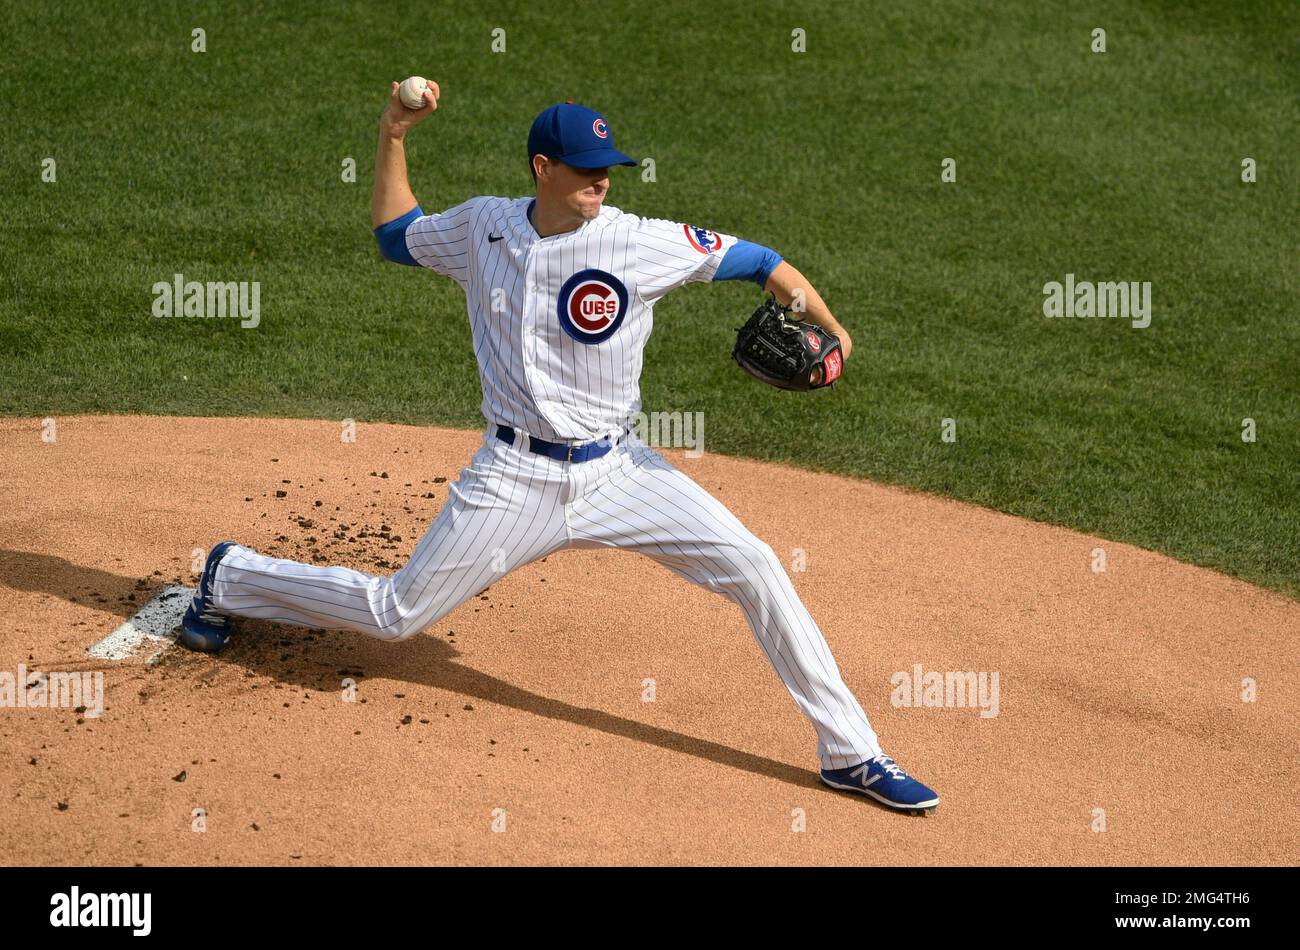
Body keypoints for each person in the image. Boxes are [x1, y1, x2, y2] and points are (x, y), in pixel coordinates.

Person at [180, 81, 939, 812]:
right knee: (396, 614)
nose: (601, 183)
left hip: (620, 471)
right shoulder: (482, 228)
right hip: (514, 477)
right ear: (543, 168)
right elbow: (392, 237)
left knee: (756, 565)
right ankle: (231, 576)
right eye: (585, 171)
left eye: (609, 170)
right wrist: (393, 135)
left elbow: (760, 261)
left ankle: (850, 753)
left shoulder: (640, 243)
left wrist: (829, 326)